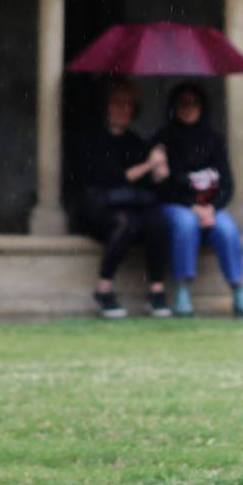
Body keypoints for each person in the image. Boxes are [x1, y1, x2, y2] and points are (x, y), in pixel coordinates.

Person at [153, 81, 243, 318]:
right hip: (177, 206)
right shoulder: (164, 139)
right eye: (183, 103)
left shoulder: (213, 139)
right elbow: (163, 187)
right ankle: (183, 290)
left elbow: (228, 184)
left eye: (194, 103)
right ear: (174, 106)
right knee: (185, 224)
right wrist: (192, 207)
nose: (188, 108)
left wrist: (211, 208)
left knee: (227, 228)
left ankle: (239, 291)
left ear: (202, 106)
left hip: (210, 206)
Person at [73, 77, 172, 319]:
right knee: (126, 223)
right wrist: (149, 164)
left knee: (157, 221)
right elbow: (111, 177)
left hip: (129, 206)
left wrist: (160, 171)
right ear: (106, 107)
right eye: (117, 103)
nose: (122, 109)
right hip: (97, 209)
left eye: (128, 104)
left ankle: (156, 290)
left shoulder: (135, 142)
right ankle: (104, 288)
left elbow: (148, 186)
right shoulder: (91, 140)